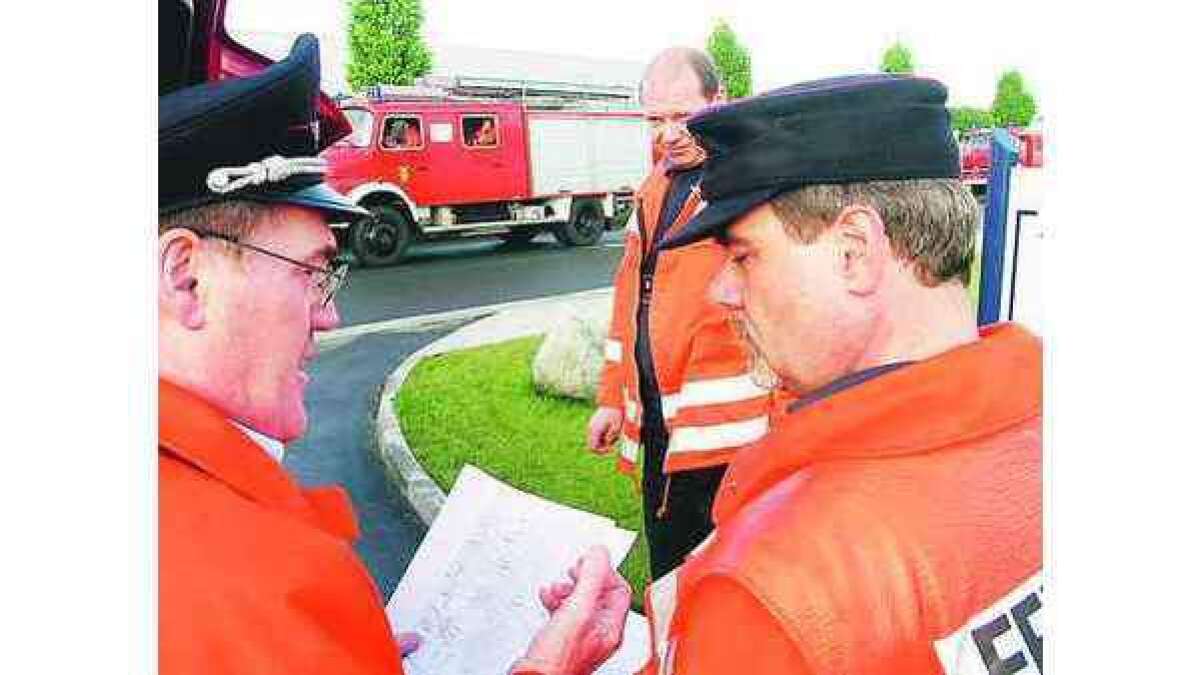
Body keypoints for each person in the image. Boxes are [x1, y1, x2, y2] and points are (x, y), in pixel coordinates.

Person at [531, 74, 1042, 674]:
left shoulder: (767, 591)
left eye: (743, 255)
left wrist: (554, 666)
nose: (721, 290)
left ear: (853, 250)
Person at [158, 33, 632, 675]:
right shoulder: (242, 578)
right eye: (311, 272)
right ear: (187, 278)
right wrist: (551, 665)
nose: (329, 315)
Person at [587, 47, 771, 581]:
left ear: (720, 100)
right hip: (662, 428)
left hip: (733, 440)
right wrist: (610, 399)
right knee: (668, 573)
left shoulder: (751, 186)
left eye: (682, 116)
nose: (668, 133)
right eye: (655, 119)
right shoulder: (655, 186)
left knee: (728, 579)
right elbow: (630, 300)